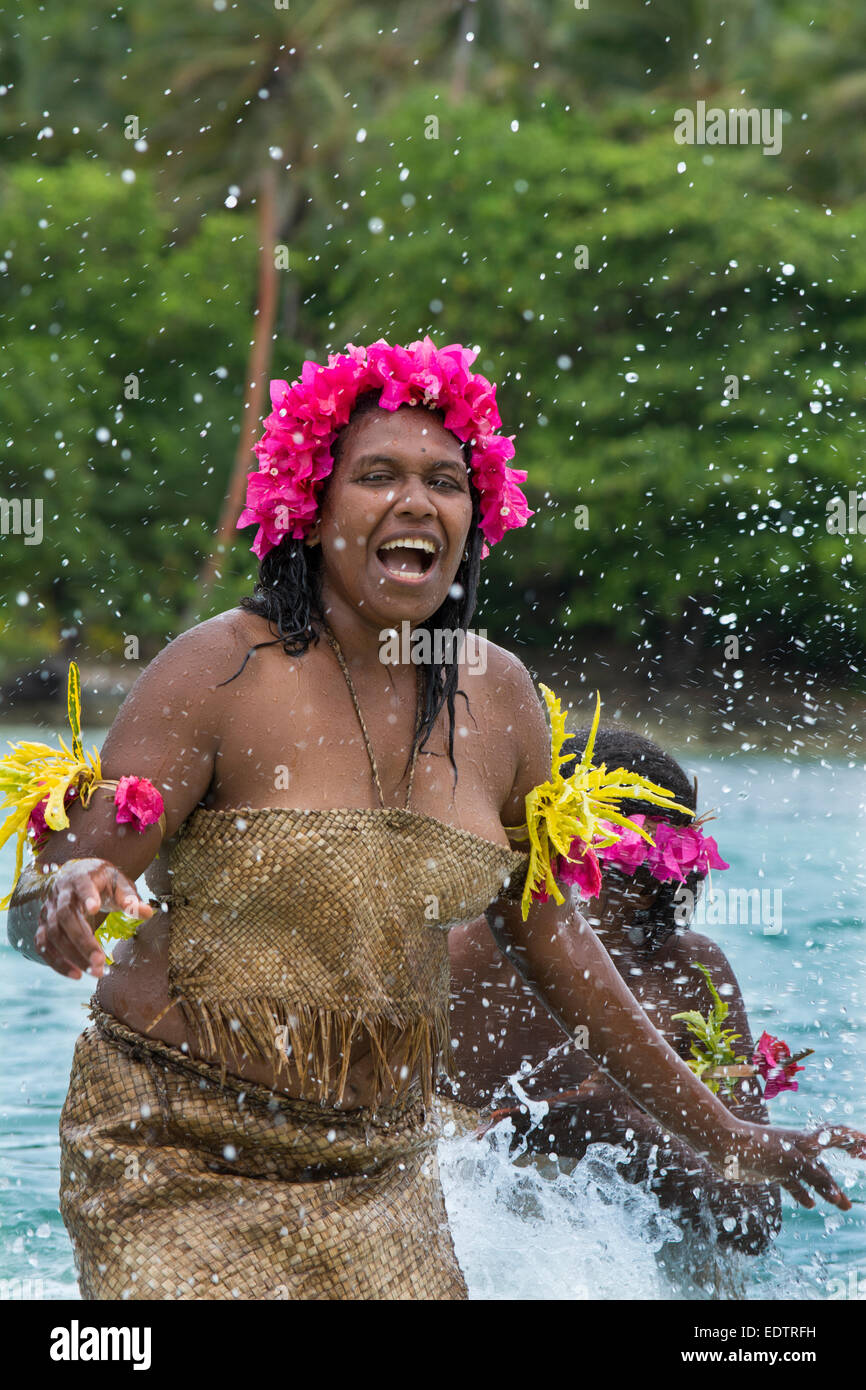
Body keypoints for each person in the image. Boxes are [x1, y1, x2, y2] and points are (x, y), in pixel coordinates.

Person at [4, 338, 864, 1302]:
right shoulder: (217, 672)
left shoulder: (501, 701)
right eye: (377, 475)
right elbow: (41, 897)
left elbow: (554, 941)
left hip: (380, 1173)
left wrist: (729, 1137)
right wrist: (64, 891)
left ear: (475, 512)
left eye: (445, 481)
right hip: (178, 1147)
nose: (416, 502)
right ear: (311, 504)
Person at [442, 728, 783, 1254]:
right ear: (536, 846)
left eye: (630, 877)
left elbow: (755, 1222)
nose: (590, 897)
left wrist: (625, 1131)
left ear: (667, 884)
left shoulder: (688, 973)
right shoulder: (446, 953)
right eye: (581, 866)